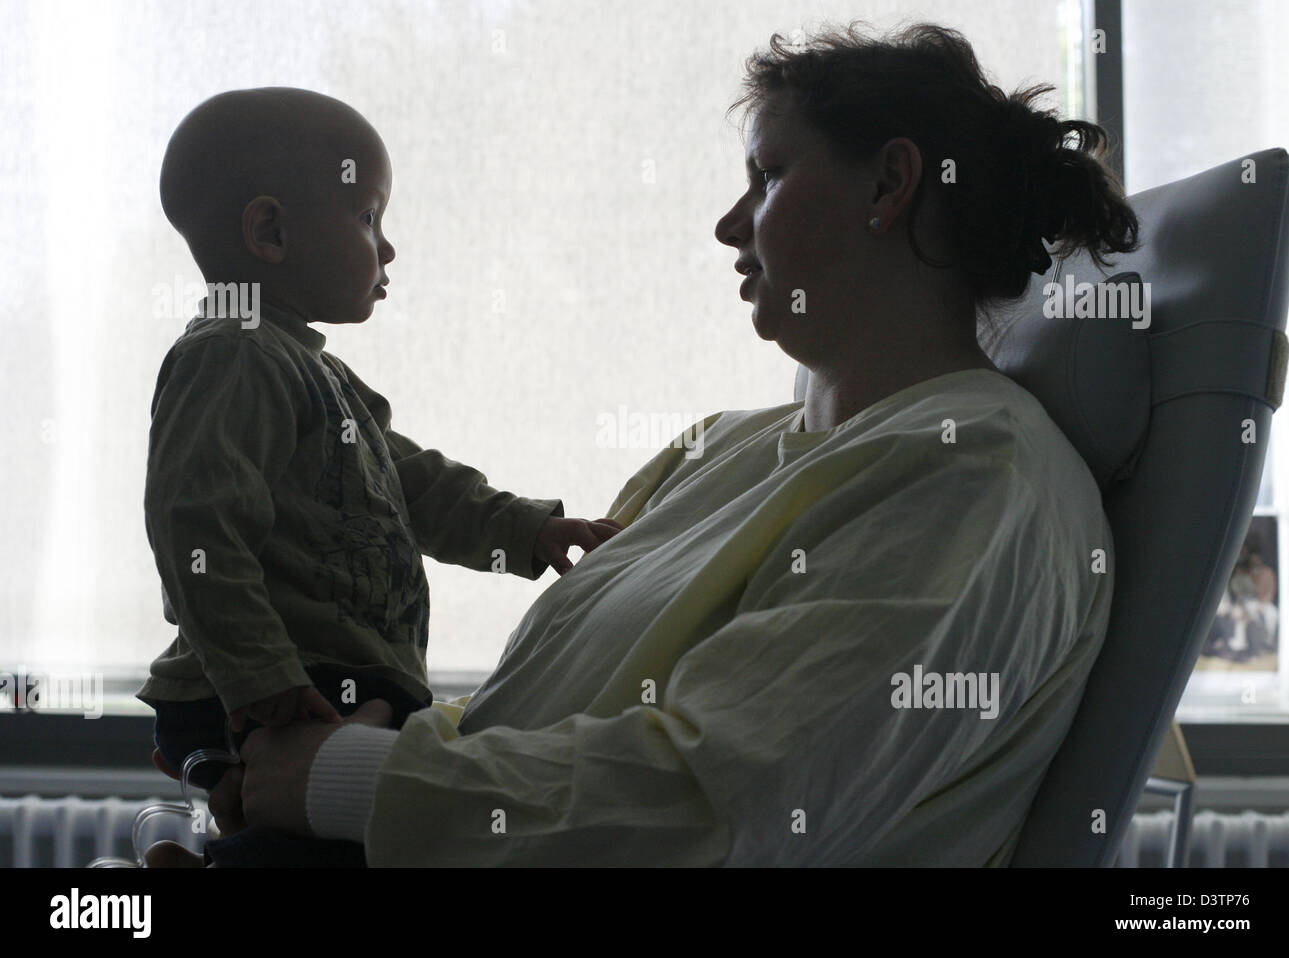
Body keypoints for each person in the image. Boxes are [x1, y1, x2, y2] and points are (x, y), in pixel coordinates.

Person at [150, 21, 1140, 867]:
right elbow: (538, 727)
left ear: (889, 183)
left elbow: (721, 805)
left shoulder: (973, 475)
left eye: (766, 176)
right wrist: (324, 778)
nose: (724, 225)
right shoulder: (720, 451)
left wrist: (341, 779)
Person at [137, 88, 620, 865]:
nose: (386, 248)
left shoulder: (318, 374)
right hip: (279, 682)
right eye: (368, 218)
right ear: (270, 231)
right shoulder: (231, 355)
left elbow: (419, 486)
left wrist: (528, 528)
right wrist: (259, 677)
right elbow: (195, 526)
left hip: (336, 679)